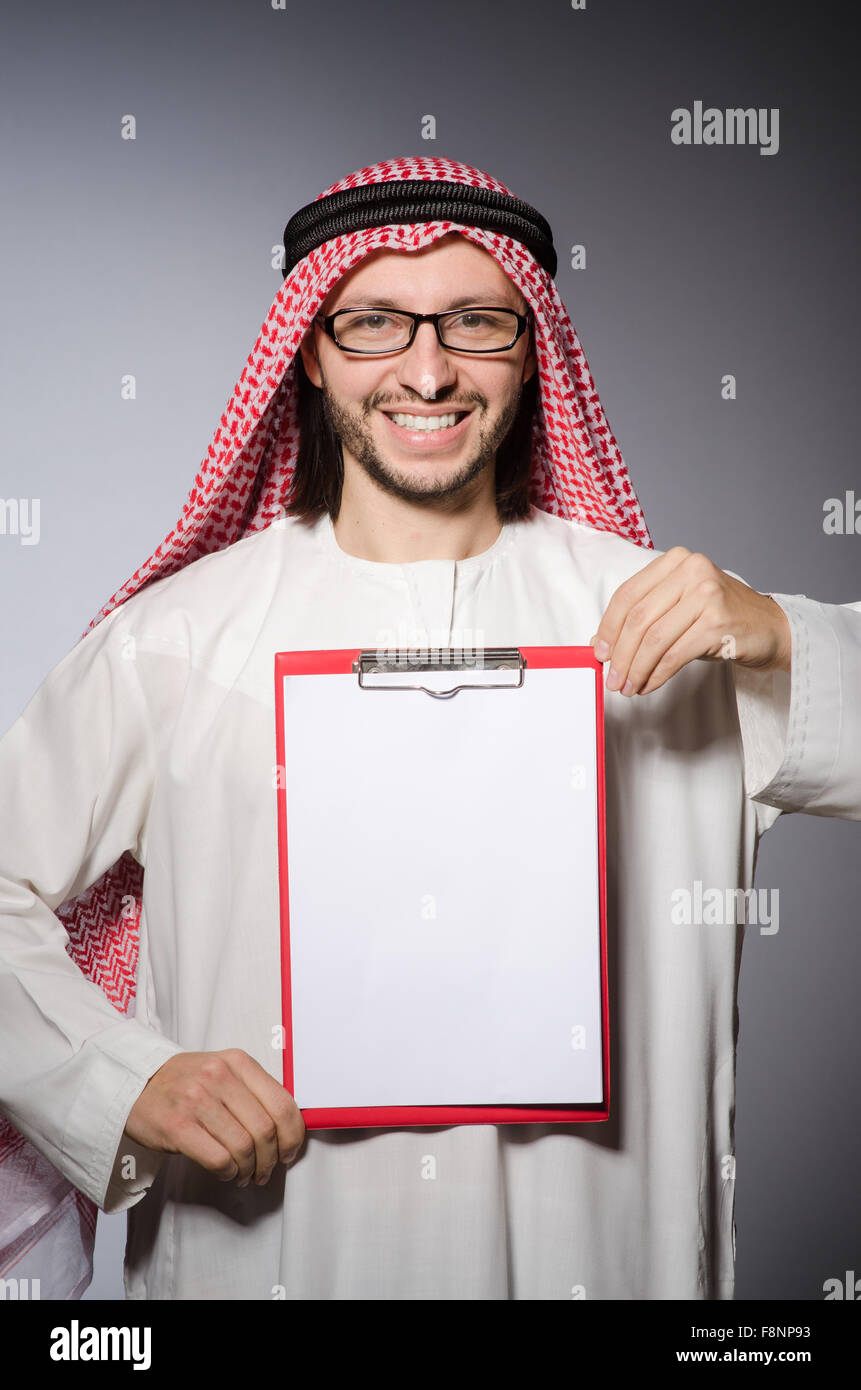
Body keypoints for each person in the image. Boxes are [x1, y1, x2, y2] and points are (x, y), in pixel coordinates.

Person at [0, 155, 858, 1301]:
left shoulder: (674, 622)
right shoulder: (181, 643)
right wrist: (118, 1077)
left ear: (531, 344)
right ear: (310, 348)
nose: (428, 367)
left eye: (474, 321)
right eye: (375, 324)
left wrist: (783, 633)